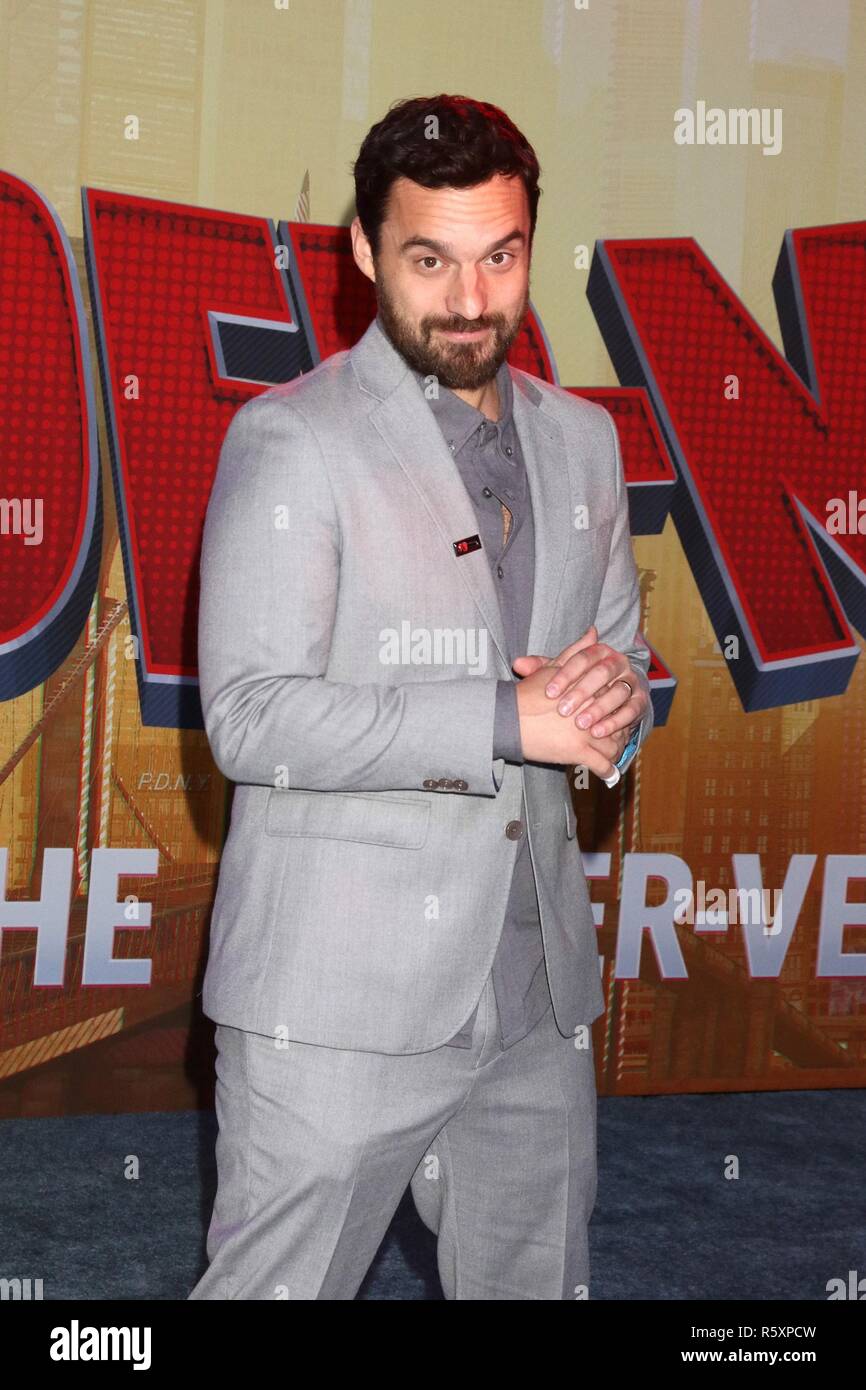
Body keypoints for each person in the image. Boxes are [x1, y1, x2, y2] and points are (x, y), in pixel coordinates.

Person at [188, 93, 653, 1301]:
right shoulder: (292, 440)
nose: (468, 299)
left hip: (534, 996)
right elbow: (250, 716)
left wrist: (612, 707)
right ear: (362, 248)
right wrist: (504, 719)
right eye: (428, 259)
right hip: (333, 1004)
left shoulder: (584, 442)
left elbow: (618, 663)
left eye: (499, 257)